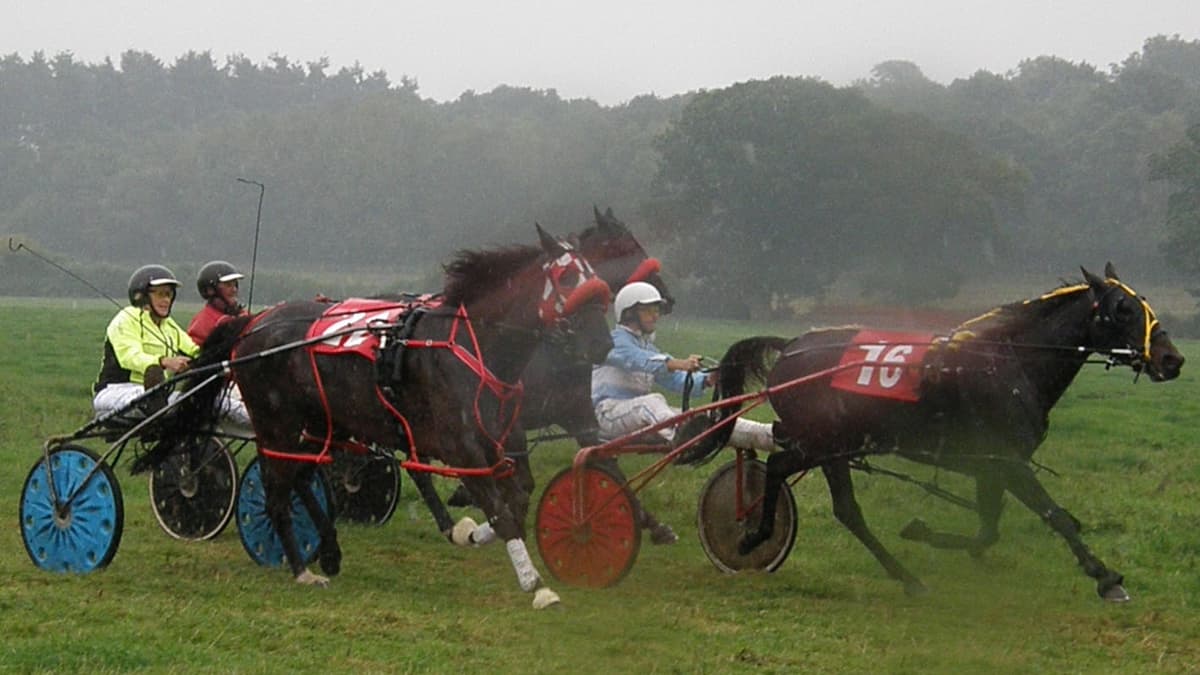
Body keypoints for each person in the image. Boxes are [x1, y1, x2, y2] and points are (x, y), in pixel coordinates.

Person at [591, 281, 775, 451]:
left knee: (711, 417)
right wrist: (678, 363)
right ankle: (682, 435)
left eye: (656, 310)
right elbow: (639, 360)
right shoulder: (615, 342)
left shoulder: (648, 347)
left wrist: (708, 379)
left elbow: (675, 380)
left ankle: (770, 436)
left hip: (640, 418)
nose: (656, 316)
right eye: (648, 311)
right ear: (629, 313)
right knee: (652, 401)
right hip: (608, 415)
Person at [93, 264, 198, 419]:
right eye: (160, 294)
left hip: (157, 393)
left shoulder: (168, 325)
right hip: (115, 391)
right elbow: (129, 356)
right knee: (150, 397)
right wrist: (163, 361)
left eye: (169, 295)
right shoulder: (126, 318)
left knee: (193, 401)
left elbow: (193, 349)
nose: (166, 300)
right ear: (141, 296)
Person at [187, 260, 247, 345]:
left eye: (235, 285)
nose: (234, 290)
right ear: (210, 290)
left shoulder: (244, 315)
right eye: (228, 285)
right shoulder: (202, 323)